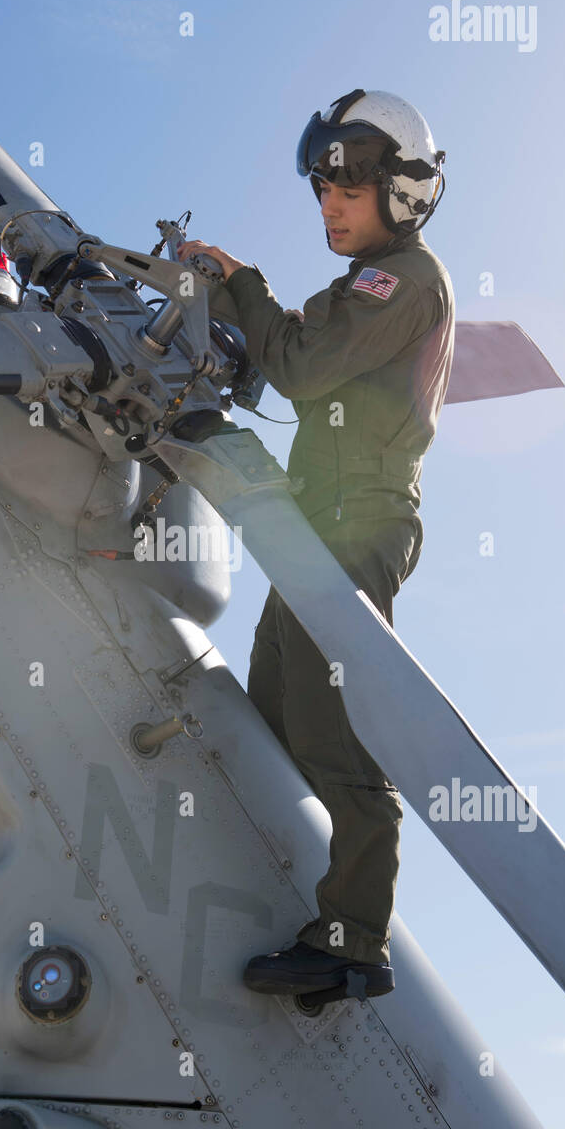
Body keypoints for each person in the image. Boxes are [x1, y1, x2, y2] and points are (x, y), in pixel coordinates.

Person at [175, 89, 455, 1003]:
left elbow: (297, 366)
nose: (328, 201)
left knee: (334, 743)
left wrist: (240, 283)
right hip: (315, 528)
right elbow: (296, 359)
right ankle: (290, 909)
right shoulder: (365, 288)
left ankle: (353, 942)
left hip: (358, 528)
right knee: (276, 727)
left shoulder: (403, 281)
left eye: (347, 184)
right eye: (321, 186)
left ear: (402, 190)